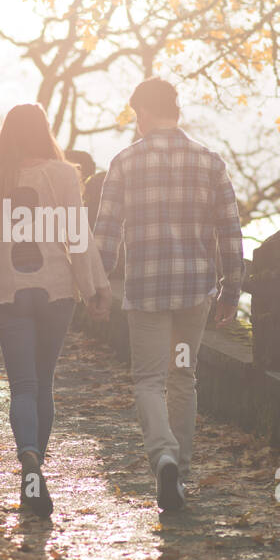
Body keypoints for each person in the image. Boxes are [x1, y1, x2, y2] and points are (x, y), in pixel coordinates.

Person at [92, 77, 243, 513]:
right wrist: (232, 288)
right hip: (194, 291)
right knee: (183, 375)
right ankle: (181, 468)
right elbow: (229, 231)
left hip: (147, 291)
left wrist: (96, 287)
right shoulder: (210, 162)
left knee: (148, 381)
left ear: (142, 113)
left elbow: (105, 233)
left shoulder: (124, 163)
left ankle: (163, 457)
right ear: (175, 110)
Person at [0, 104, 111, 516]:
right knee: (43, 384)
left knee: (23, 387)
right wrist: (96, 287)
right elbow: (77, 236)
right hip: (56, 291)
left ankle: (28, 457)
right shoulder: (63, 174)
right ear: (44, 131)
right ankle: (36, 468)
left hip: (9, 292)